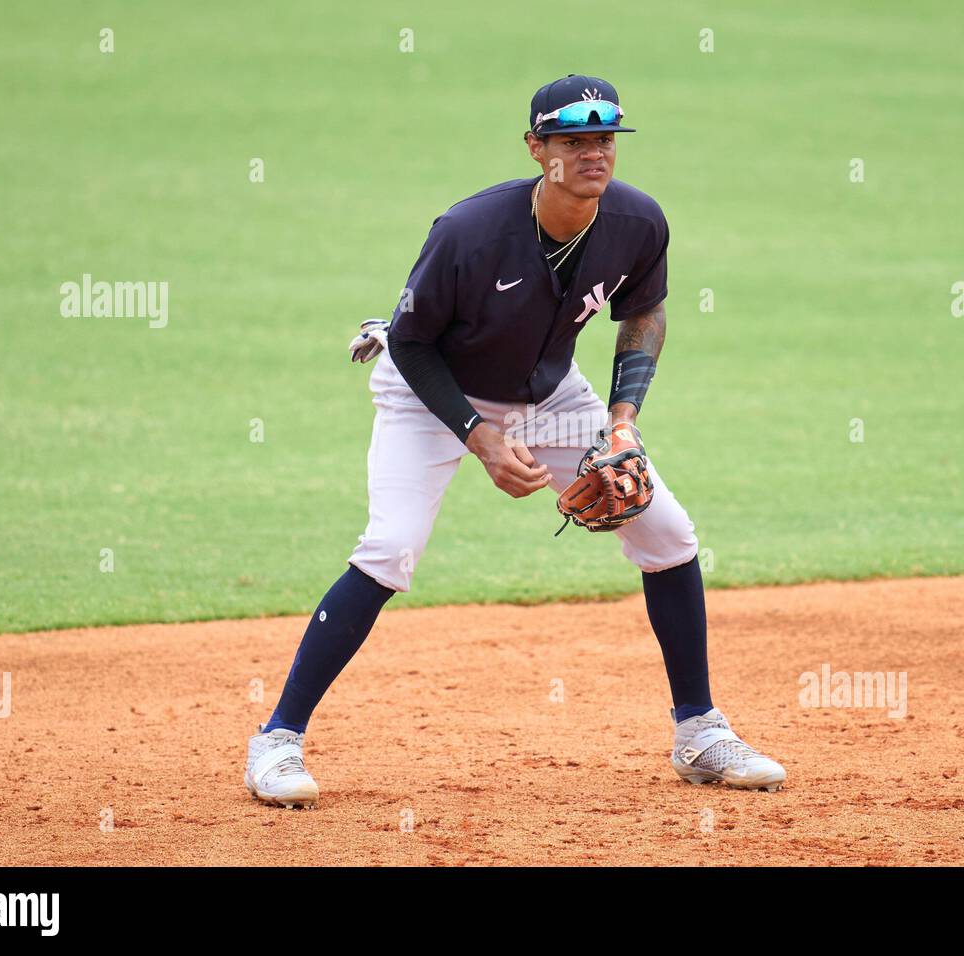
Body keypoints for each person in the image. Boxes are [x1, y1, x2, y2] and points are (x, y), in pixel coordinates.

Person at [244, 74, 787, 808]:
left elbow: (645, 313)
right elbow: (410, 341)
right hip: (428, 390)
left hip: (550, 393)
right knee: (391, 546)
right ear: (537, 149)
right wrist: (479, 437)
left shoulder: (636, 222)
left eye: (604, 139)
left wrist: (622, 420)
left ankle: (699, 732)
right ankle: (278, 740)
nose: (593, 153)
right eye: (572, 141)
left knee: (667, 529)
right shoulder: (469, 232)